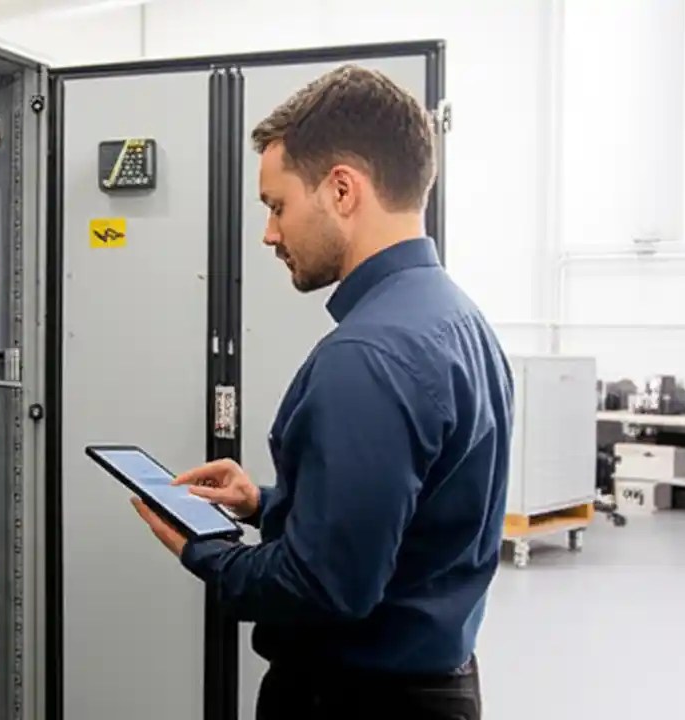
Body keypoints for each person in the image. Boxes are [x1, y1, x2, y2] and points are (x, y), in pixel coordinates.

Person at [130, 64, 513, 719]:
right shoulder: (460, 321)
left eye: (277, 205)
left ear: (341, 190)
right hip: (435, 688)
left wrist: (203, 551)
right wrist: (266, 503)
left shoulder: (367, 356)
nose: (269, 233)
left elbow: (321, 588)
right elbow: (410, 517)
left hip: (353, 700)